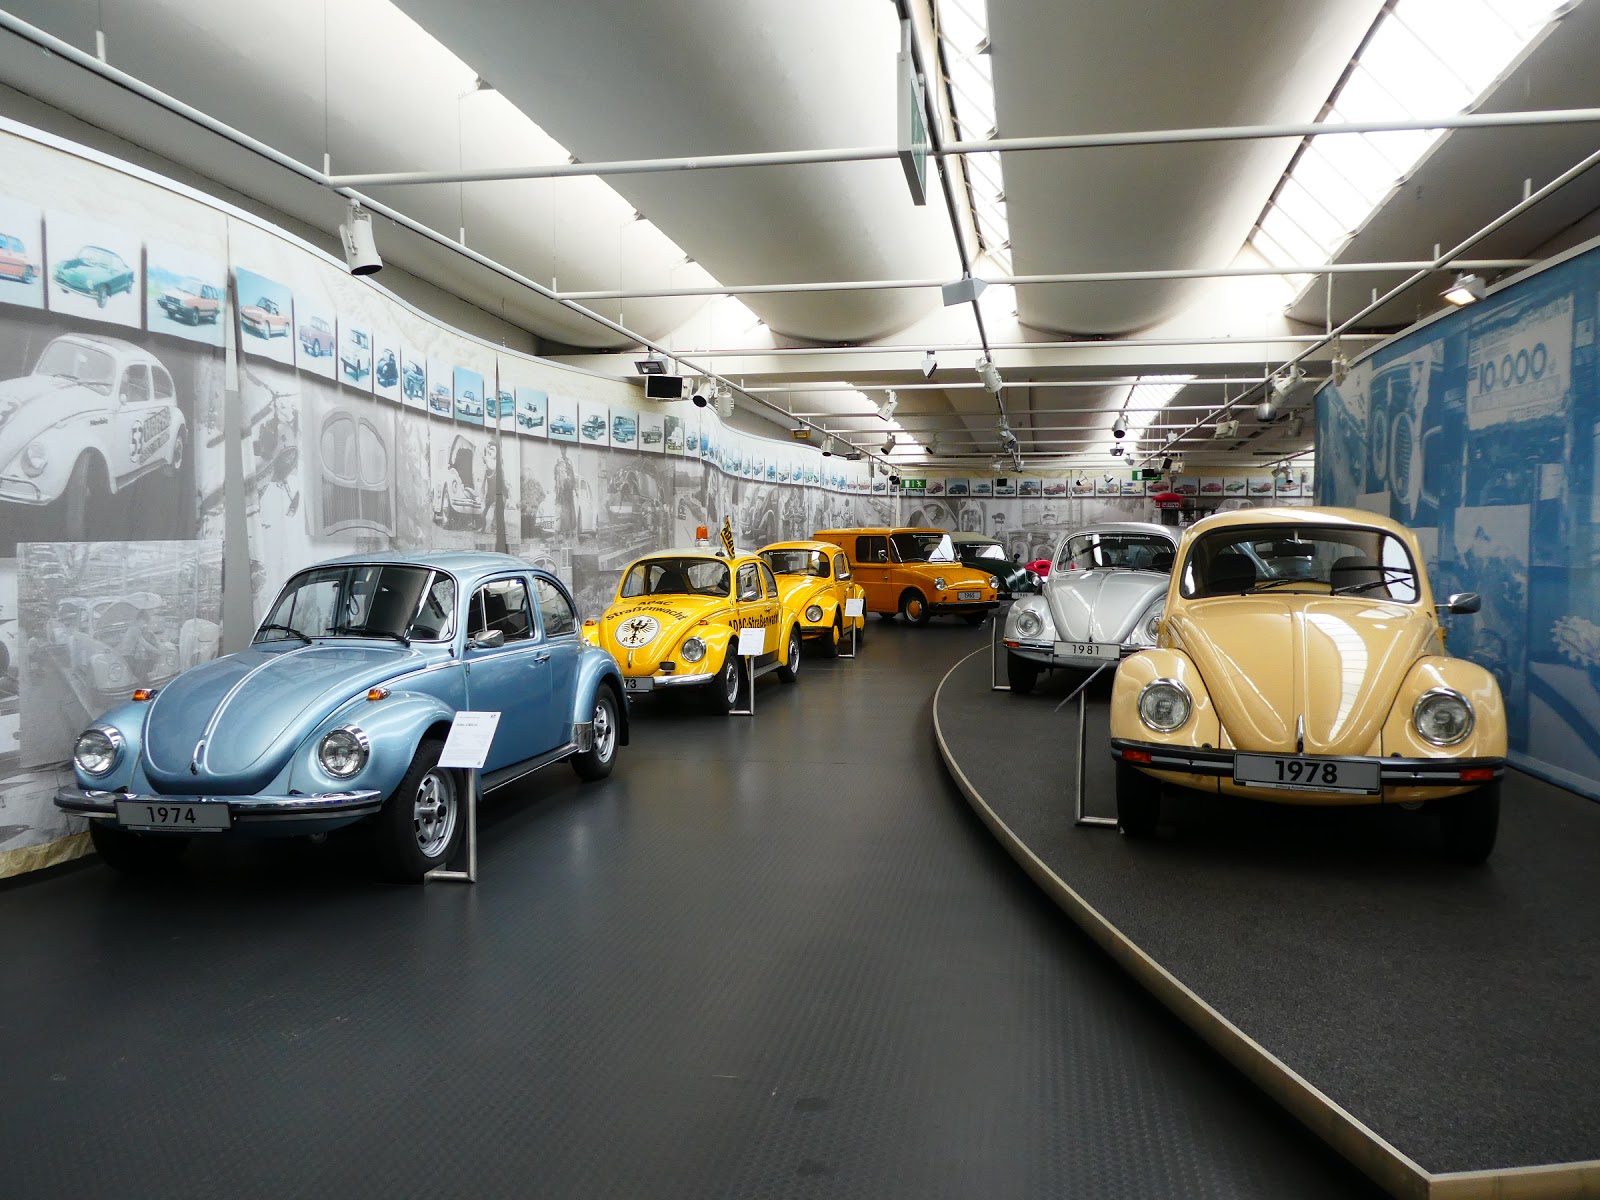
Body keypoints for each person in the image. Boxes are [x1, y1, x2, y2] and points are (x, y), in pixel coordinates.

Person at [555, 444, 577, 536]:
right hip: (561, 489)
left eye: (564, 449)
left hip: (569, 488)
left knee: (570, 509)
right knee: (563, 511)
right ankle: (564, 532)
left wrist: (575, 488)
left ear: (566, 450)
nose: (562, 451)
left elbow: (572, 474)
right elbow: (556, 476)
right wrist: (557, 488)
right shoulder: (558, 461)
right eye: (561, 449)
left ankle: (571, 532)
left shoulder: (569, 461)